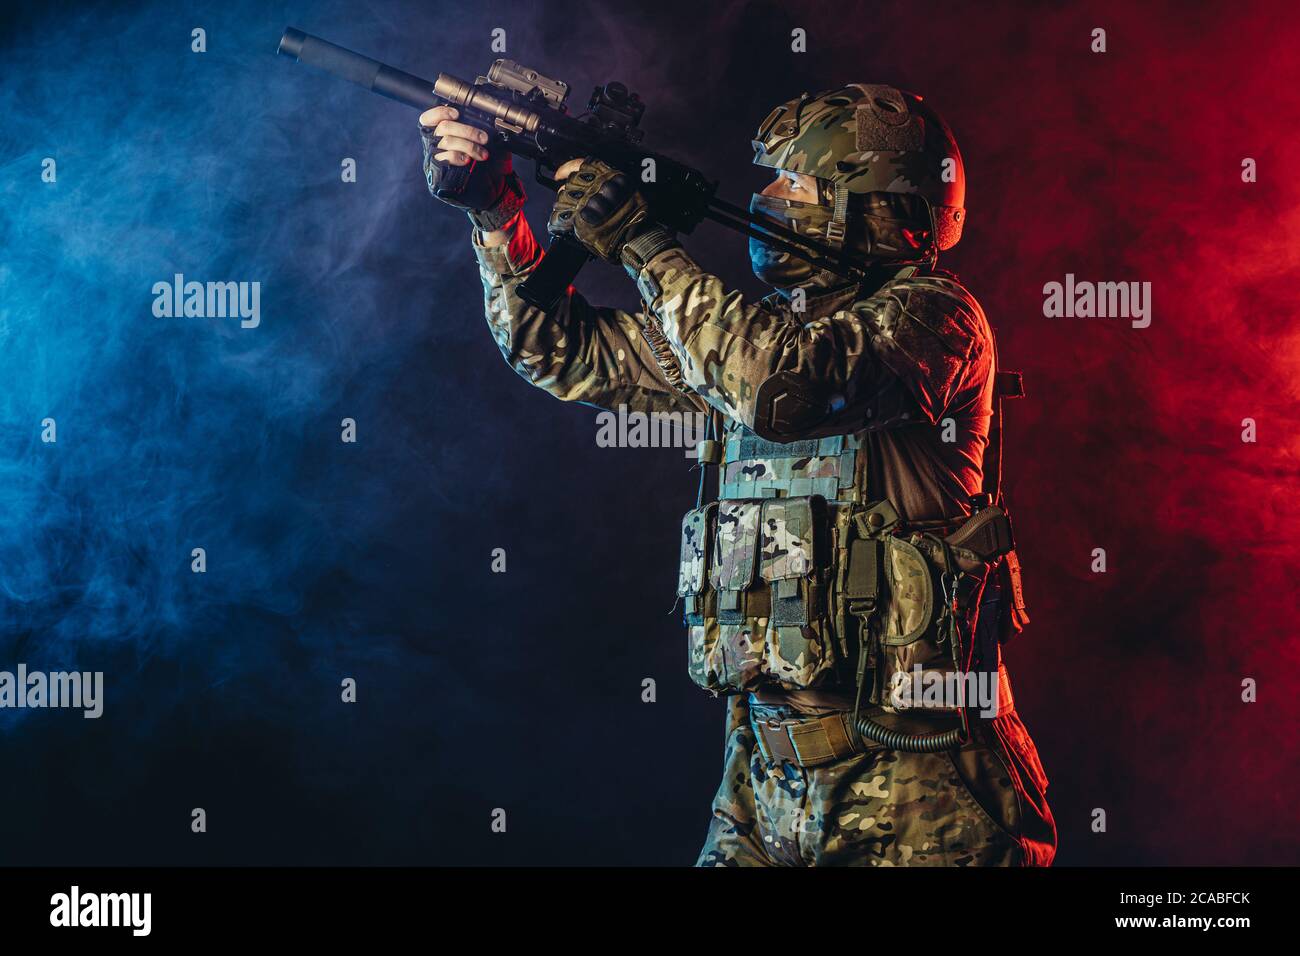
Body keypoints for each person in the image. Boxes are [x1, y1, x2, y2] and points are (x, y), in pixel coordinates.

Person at [418, 83, 1056, 867]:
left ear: (875, 205)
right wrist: (495, 214)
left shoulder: (935, 318)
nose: (769, 200)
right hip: (763, 775)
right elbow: (558, 350)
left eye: (795, 184)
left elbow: (779, 391)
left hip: (919, 787)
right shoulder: (737, 334)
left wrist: (646, 246)